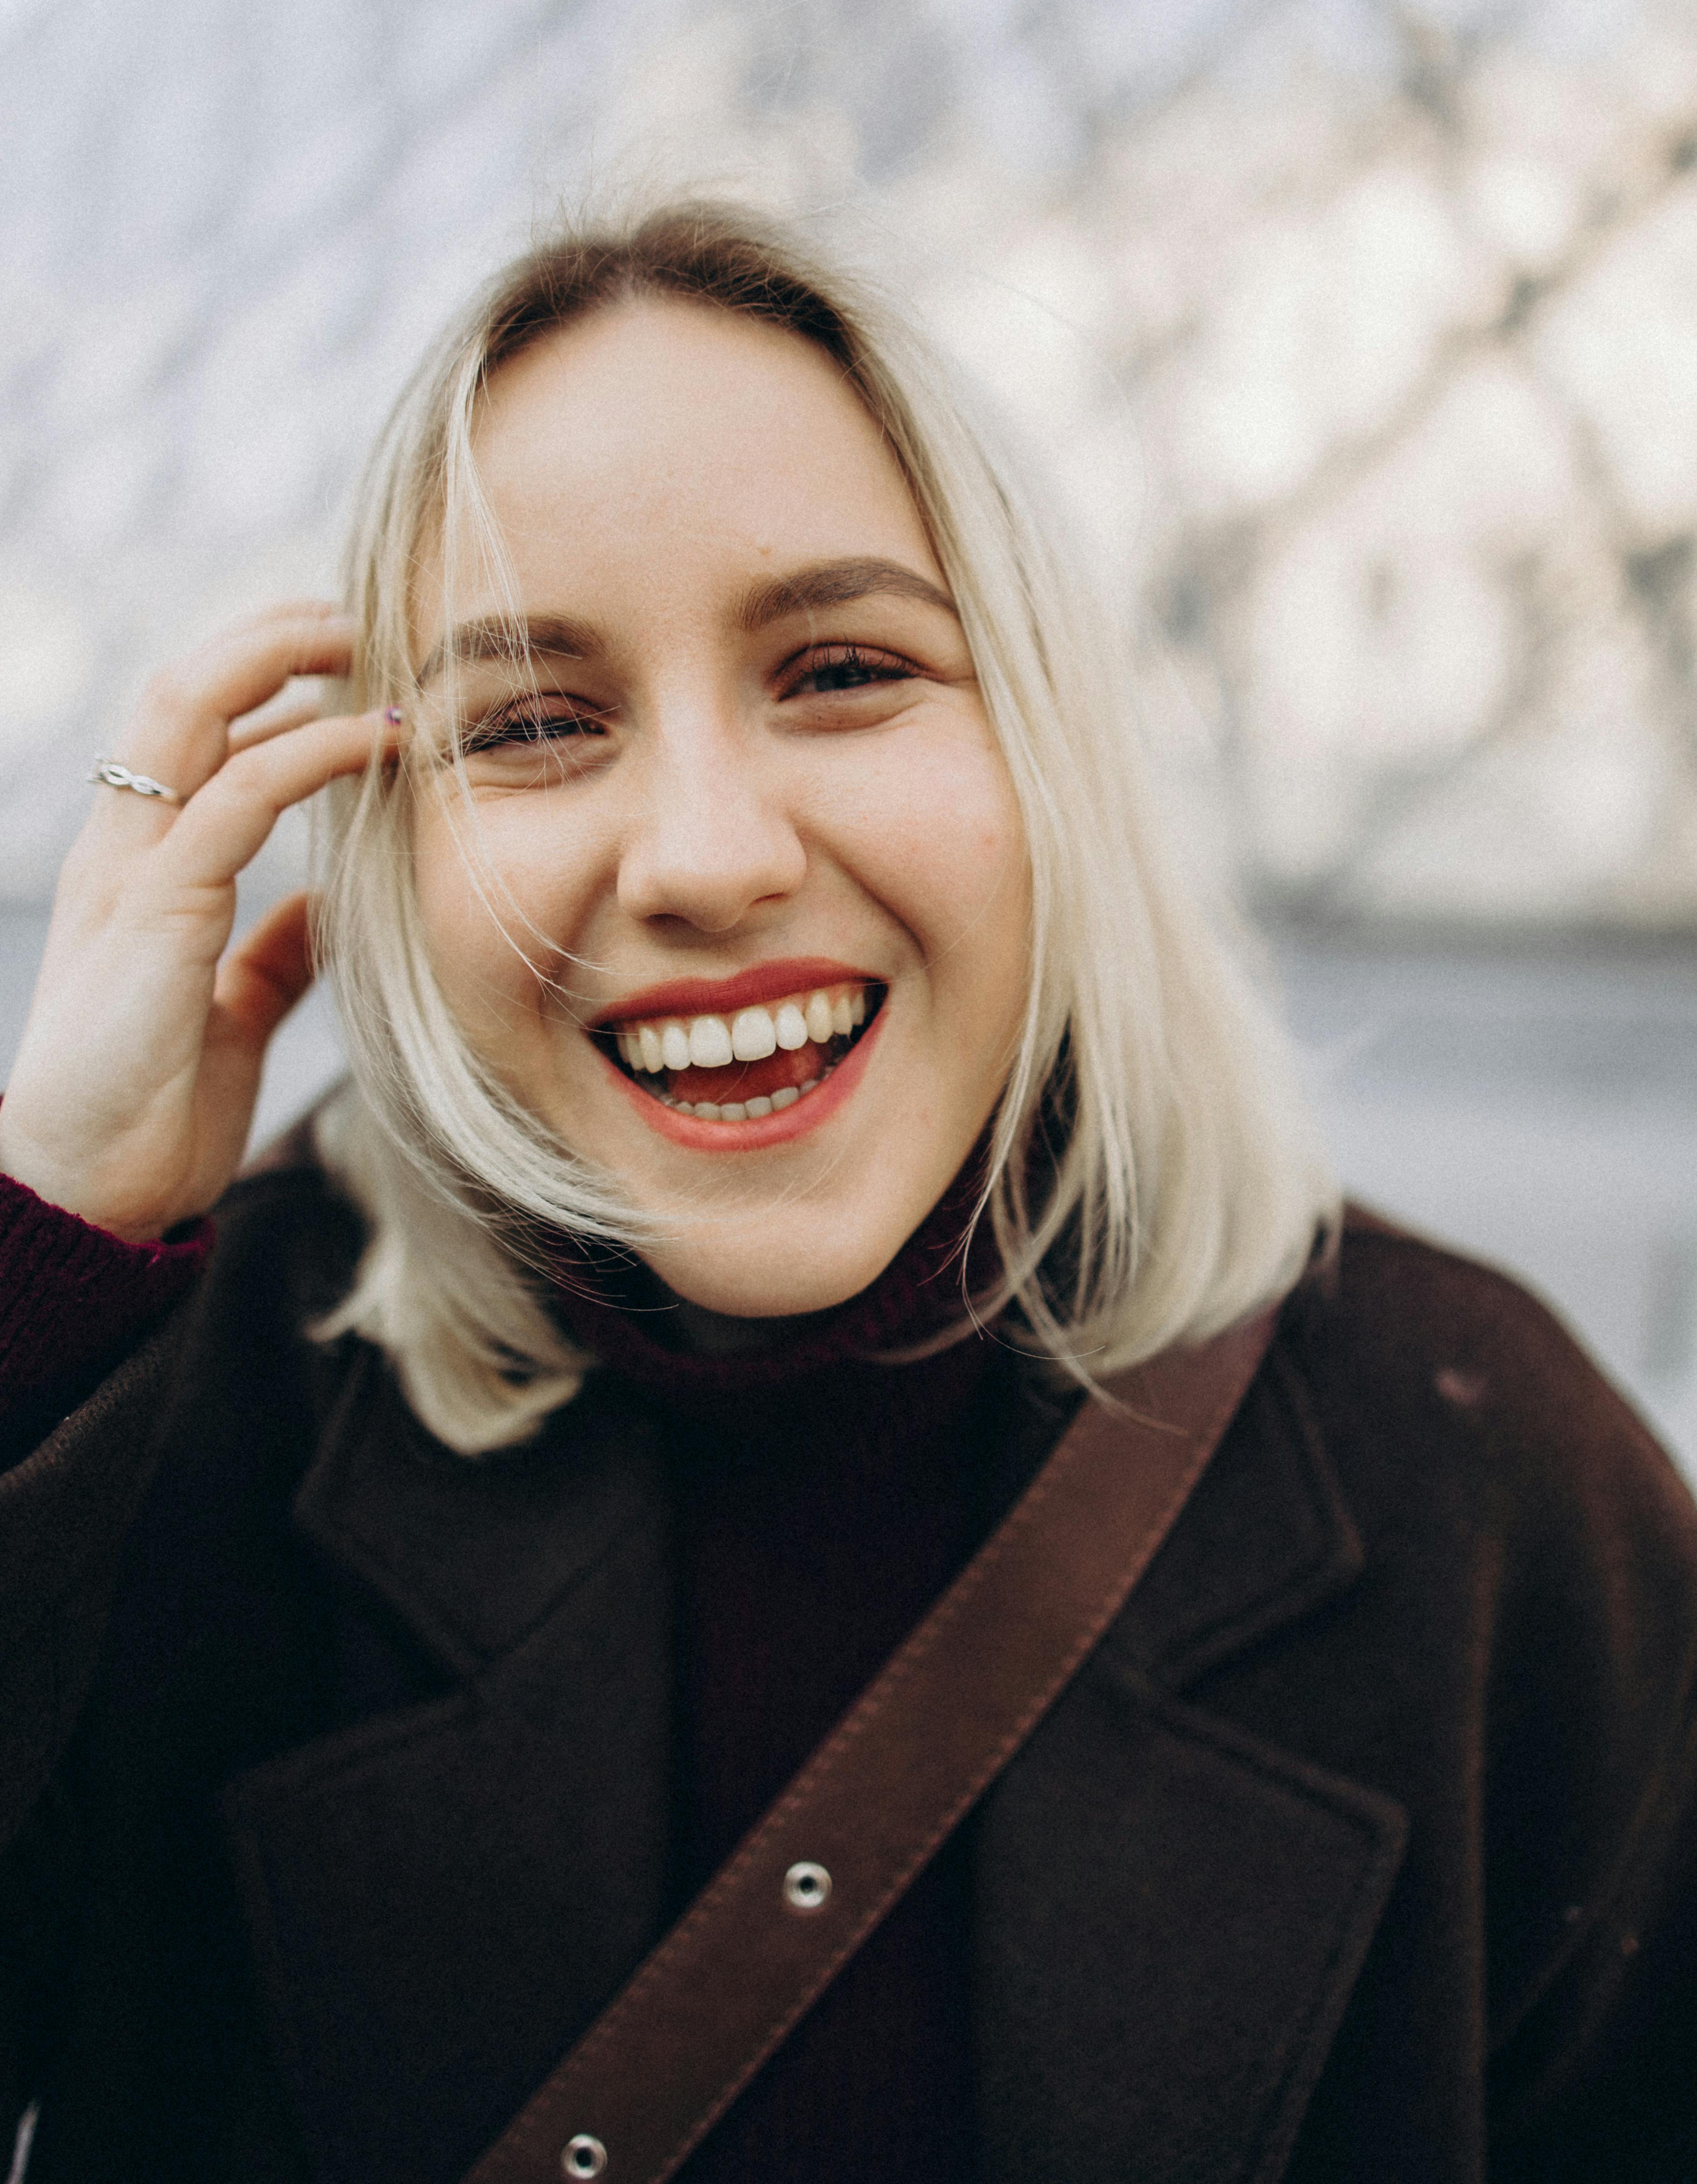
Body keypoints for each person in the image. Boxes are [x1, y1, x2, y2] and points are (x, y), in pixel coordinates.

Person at [1, 202, 1694, 2184]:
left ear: (1052, 749)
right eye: (536, 723)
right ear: (387, 844)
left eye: (843, 669)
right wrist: (44, 1247)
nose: (706, 858)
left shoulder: (1489, 1480)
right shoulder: (174, 1411)